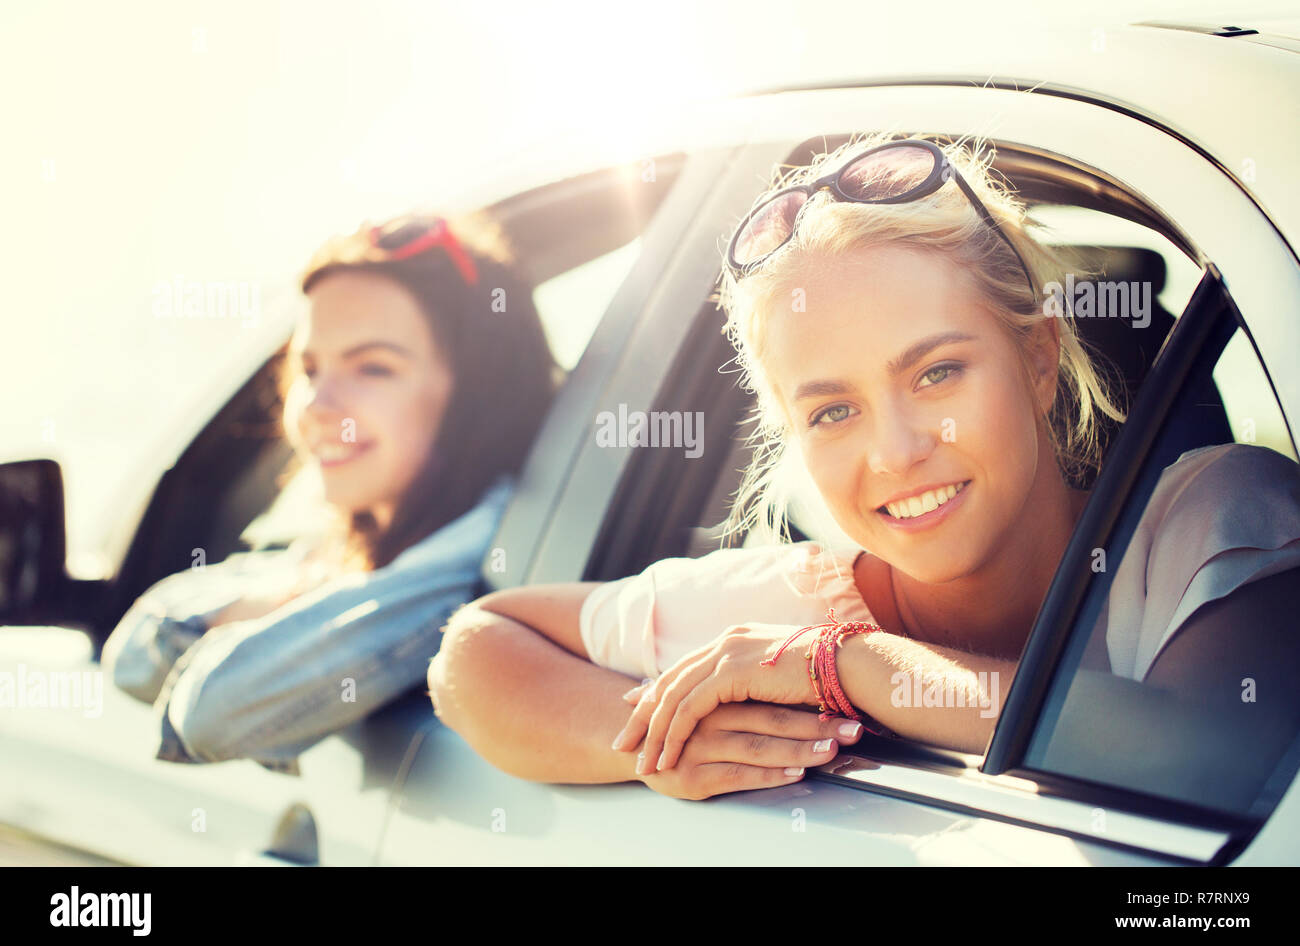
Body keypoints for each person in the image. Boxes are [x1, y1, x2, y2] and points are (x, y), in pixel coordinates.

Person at [428, 133, 1300, 801]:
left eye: (936, 373)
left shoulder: (1216, 516)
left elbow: (1214, 756)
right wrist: (659, 741)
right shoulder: (775, 605)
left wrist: (847, 666)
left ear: (1039, 361)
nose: (894, 453)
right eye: (832, 411)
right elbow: (476, 648)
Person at [102, 213, 558, 772]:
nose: (317, 406)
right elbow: (132, 650)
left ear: (477, 396)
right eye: (311, 369)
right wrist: (291, 596)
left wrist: (273, 608)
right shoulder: (339, 549)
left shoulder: (480, 558)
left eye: (372, 368)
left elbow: (211, 711)